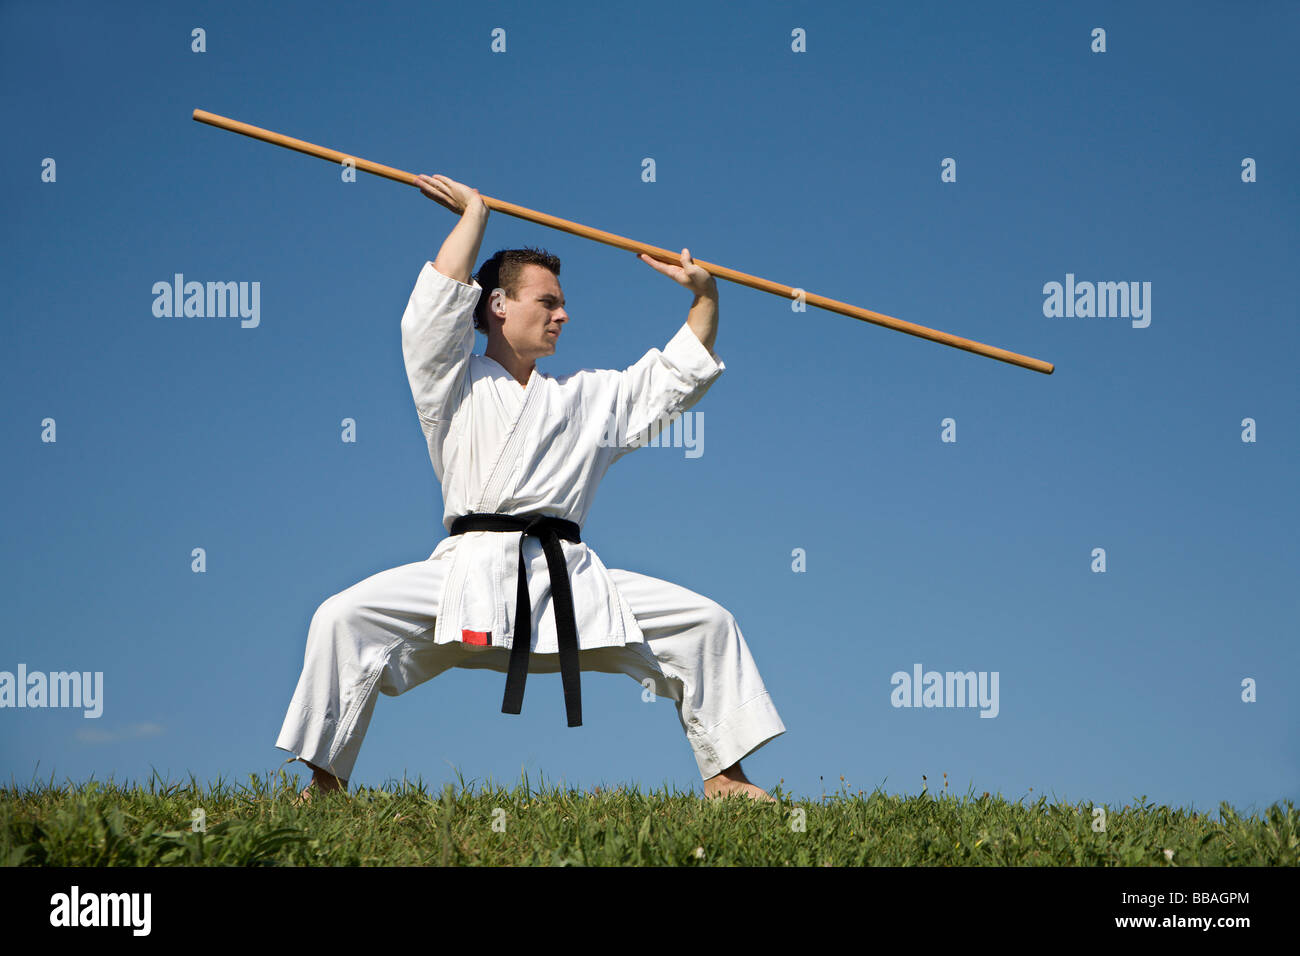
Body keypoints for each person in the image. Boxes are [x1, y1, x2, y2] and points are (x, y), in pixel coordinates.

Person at [277, 173, 785, 802]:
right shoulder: (450, 383)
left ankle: (726, 781)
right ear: (498, 305)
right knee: (343, 617)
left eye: (562, 303)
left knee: (707, 623)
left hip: (570, 577)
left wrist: (706, 297)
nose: (563, 314)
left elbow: (673, 378)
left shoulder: (588, 399)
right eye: (547, 302)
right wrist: (474, 216)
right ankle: (325, 781)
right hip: (467, 574)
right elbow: (432, 316)